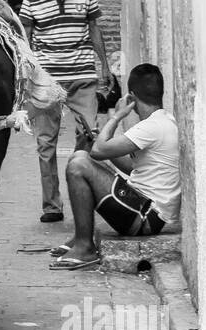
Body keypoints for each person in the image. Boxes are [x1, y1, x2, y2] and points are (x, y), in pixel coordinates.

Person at [50, 63, 181, 269]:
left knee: (79, 162)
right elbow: (131, 167)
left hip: (146, 217)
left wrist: (117, 116)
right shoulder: (165, 121)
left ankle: (85, 247)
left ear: (132, 97)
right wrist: (98, 142)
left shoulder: (150, 127)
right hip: (144, 208)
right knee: (85, 159)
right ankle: (80, 239)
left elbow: (99, 151)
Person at [20, 0, 112, 223]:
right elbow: (26, 37)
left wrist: (105, 67)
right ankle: (52, 206)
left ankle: (81, 197)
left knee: (88, 136)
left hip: (83, 75)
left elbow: (94, 28)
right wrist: (26, 75)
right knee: (45, 144)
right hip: (47, 80)